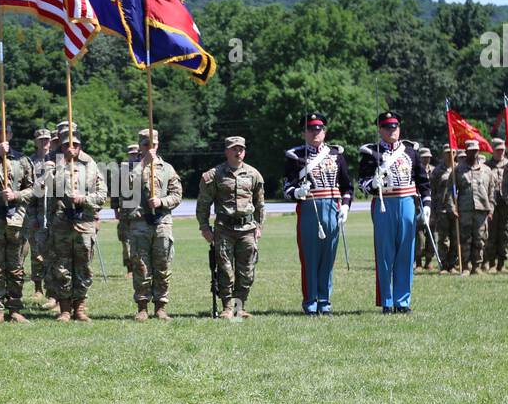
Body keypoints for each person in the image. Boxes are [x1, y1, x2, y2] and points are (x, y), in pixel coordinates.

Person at [357, 111, 431, 313]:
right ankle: (387, 302)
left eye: (395, 127)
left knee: (406, 254)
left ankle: (403, 301)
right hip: (384, 204)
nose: (392, 130)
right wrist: (373, 183)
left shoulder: (411, 151)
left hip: (407, 202)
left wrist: (426, 205)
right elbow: (361, 184)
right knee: (385, 254)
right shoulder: (371, 152)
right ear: (380, 129)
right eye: (388, 127)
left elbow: (423, 182)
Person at [283, 113, 353, 315]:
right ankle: (311, 302)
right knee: (310, 259)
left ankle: (325, 301)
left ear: (325, 131)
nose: (316, 132)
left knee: (328, 259)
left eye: (319, 129)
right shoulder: (295, 156)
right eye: (311, 129)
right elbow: (287, 188)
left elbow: (348, 186)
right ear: (304, 132)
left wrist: (346, 206)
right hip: (309, 210)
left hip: (332, 209)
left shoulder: (336, 155)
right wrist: (297, 192)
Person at [198, 136, 267, 319]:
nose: (238, 152)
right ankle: (227, 307)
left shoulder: (254, 174)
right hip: (224, 229)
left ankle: (239, 307)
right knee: (225, 270)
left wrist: (259, 226)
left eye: (241, 149)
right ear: (226, 151)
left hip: (247, 230)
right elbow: (203, 204)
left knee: (246, 271)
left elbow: (260, 204)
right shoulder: (214, 174)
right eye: (234, 149)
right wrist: (204, 228)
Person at [0, 125, 36, 322]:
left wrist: (16, 195)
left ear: (10, 135)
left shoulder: (22, 160)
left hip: (16, 220)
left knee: (16, 267)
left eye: (6, 132)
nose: (2, 136)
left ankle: (15, 308)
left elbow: (34, 189)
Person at [123, 129, 183, 321]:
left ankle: (160, 306)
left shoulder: (167, 169)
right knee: (141, 266)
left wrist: (162, 202)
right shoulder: (129, 168)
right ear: (140, 146)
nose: (150, 148)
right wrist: (143, 164)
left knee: (162, 265)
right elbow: (125, 189)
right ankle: (142, 306)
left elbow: (177, 195)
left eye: (153, 145)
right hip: (139, 223)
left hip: (161, 224)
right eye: (146, 145)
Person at [47, 132, 107, 322]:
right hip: (61, 223)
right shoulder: (54, 164)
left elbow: (102, 194)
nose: (71, 148)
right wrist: (61, 166)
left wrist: (85, 199)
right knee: (62, 267)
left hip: (84, 222)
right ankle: (65, 309)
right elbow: (44, 189)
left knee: (83, 267)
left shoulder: (90, 164)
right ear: (62, 147)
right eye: (66, 145)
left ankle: (80, 307)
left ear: (80, 145)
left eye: (75, 144)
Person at [453, 139, 494, 275]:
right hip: (464, 209)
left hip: (482, 209)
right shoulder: (458, 170)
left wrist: (491, 208)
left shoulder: (486, 170)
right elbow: (450, 191)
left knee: (480, 239)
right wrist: (452, 207)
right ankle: (465, 266)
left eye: (475, 151)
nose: (473, 153)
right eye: (470, 151)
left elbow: (491, 191)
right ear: (466, 152)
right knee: (465, 238)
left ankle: (477, 266)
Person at [25, 129, 55, 308]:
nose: (44, 142)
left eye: (47, 139)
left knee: (53, 254)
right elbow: (28, 190)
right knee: (37, 254)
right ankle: (38, 287)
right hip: (36, 214)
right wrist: (32, 216)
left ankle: (53, 291)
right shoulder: (30, 162)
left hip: (54, 215)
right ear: (35, 141)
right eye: (41, 140)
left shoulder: (57, 159)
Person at [112, 143, 140, 277]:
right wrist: (115, 209)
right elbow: (115, 191)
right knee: (125, 240)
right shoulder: (121, 170)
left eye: (136, 154)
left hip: (140, 211)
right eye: (131, 154)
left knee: (139, 239)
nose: (133, 156)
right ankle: (129, 268)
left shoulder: (143, 168)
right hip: (124, 211)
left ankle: (140, 267)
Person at [430, 144, 459, 273]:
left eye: (452, 153)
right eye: (447, 153)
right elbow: (432, 192)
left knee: (455, 238)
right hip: (441, 209)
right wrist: (432, 211)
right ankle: (444, 265)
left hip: (456, 209)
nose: (450, 155)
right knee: (443, 239)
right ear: (443, 154)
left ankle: (452, 265)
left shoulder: (459, 169)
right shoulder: (437, 171)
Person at [484, 138, 508, 271]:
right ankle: (491, 262)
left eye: (502, 150)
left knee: (505, 233)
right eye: (498, 150)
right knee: (491, 233)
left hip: (506, 203)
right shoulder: (486, 166)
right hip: (492, 203)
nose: (500, 152)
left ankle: (502, 263)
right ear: (493, 150)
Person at [414, 147, 435, 268]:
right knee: (419, 236)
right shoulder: (415, 170)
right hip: (417, 206)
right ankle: (418, 261)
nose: (426, 158)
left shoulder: (434, 171)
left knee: (431, 235)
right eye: (424, 156)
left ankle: (429, 260)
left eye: (428, 157)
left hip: (430, 206)